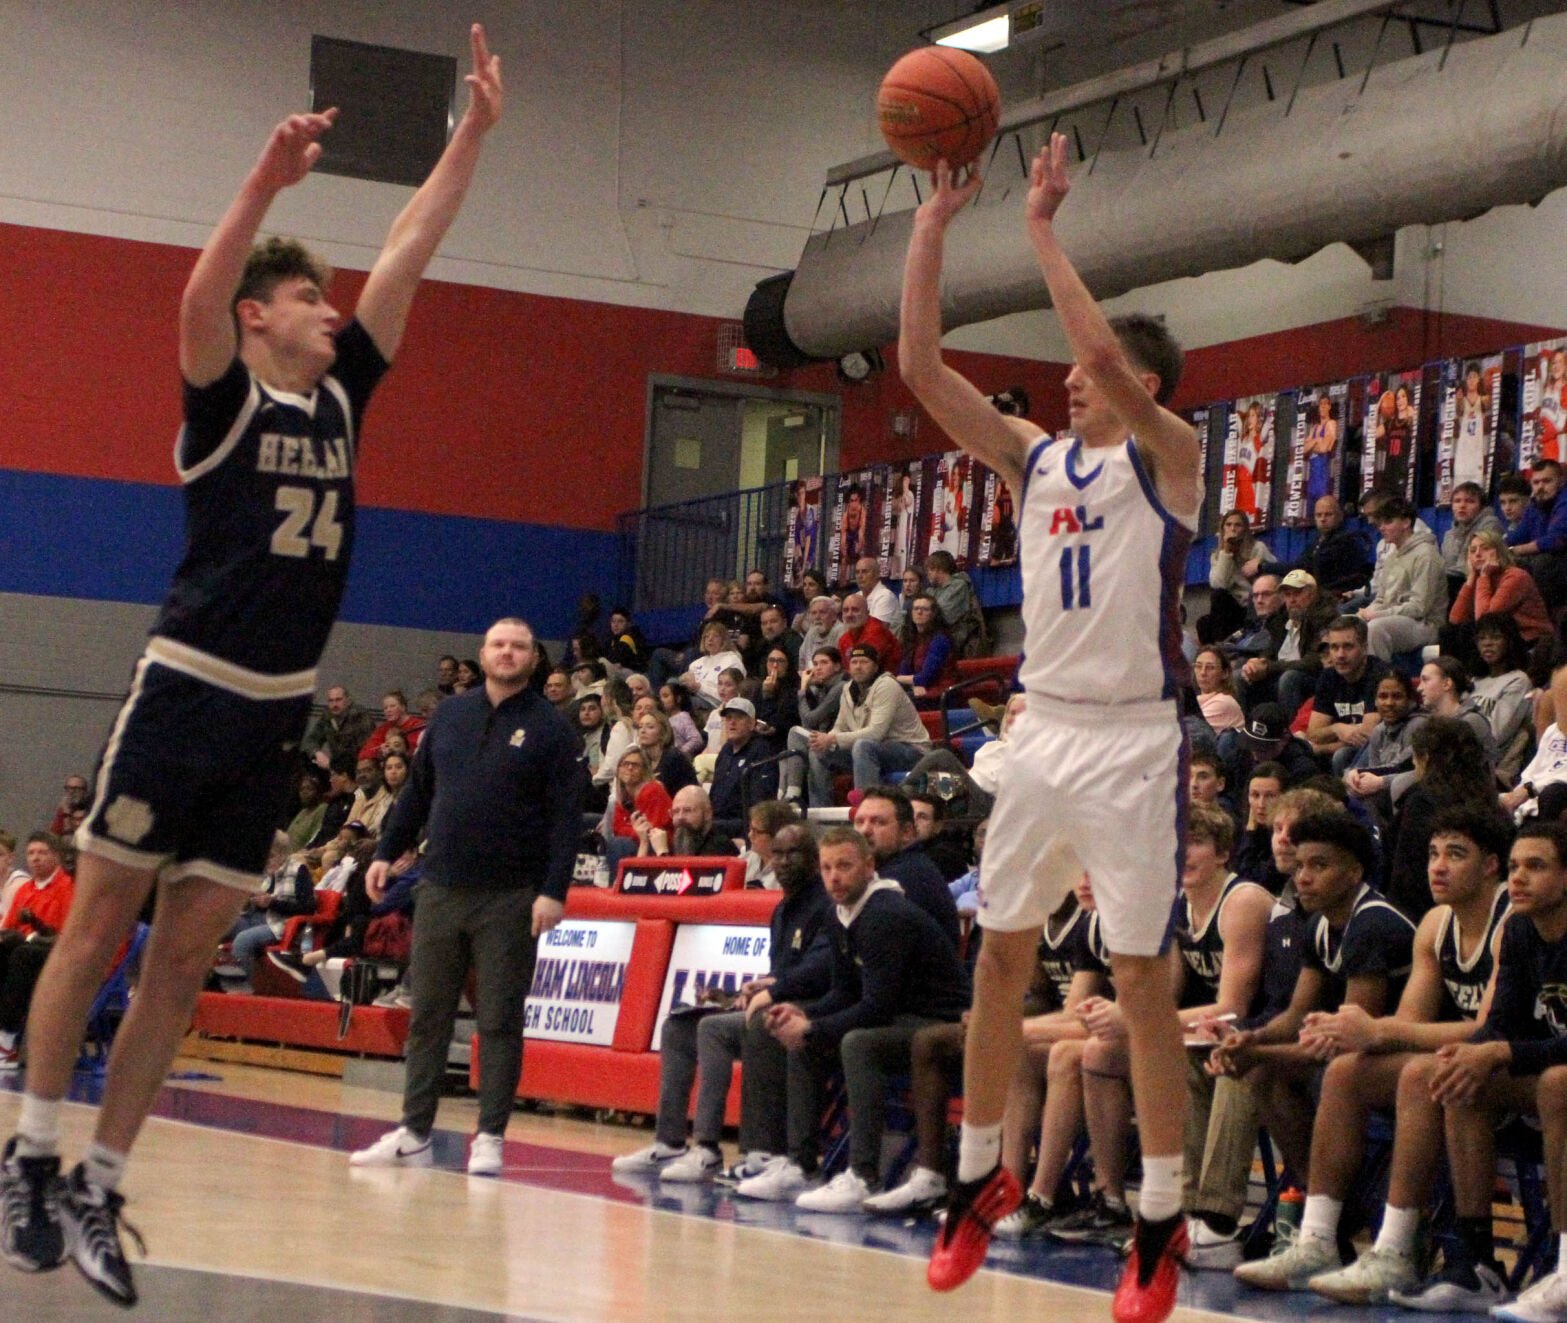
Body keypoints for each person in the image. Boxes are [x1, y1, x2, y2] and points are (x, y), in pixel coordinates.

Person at [0, 29, 503, 1308]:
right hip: (183, 690)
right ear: (258, 318)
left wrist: (472, 138)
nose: (332, 313)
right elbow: (191, 298)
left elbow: (409, 251)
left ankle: (105, 1187)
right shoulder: (225, 398)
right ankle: (33, 1157)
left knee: (181, 961)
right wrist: (263, 186)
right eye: (307, 302)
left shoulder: (343, 398)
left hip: (274, 715)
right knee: (102, 924)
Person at [899, 132, 1203, 1316]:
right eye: (1076, 367)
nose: (1072, 376)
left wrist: (1039, 230)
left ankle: (1162, 1213)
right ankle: (976, 1181)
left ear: (1140, 384)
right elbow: (923, 368)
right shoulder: (1034, 463)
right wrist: (934, 225)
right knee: (1001, 960)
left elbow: (1101, 357)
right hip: (1043, 734)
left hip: (1134, 741)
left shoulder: (1169, 463)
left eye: (1097, 367)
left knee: (1140, 978)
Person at [1248, 804, 1510, 1306]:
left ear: (1491, 865)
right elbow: (1405, 1025)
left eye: (1455, 855)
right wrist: (1368, 1033)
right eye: (1433, 854)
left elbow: (1487, 1027)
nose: (1437, 866)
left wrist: (1373, 1029)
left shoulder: (1507, 921)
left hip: (1504, 1062)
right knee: (1347, 1070)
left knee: (1414, 1073)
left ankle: (1396, 1248)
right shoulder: (1435, 924)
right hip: (1458, 1063)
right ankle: (1318, 1239)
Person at [349, 617, 582, 1178]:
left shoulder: (553, 730)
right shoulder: (449, 717)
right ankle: (414, 1131)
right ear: (482, 654)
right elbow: (417, 795)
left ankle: (492, 1136)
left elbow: (566, 821)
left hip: (510, 896)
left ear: (533, 658)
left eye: (519, 646)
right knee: (427, 1015)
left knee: (499, 1018)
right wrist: (386, 852)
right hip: (441, 889)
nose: (507, 653)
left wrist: (553, 891)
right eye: (499, 645)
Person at [735, 827, 970, 1209]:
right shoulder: (839, 913)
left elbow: (876, 1006)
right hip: (899, 1018)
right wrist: (804, 1014)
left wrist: (813, 1026)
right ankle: (801, 1165)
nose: (834, 877)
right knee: (805, 1038)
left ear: (869, 866)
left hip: (938, 1023)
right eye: (826, 868)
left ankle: (863, 1175)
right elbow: (844, 993)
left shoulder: (885, 915)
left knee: (857, 1042)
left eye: (844, 866)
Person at [611, 822, 832, 1182]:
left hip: (807, 1010)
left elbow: (818, 972)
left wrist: (770, 989)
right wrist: (734, 997)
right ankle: (669, 1141)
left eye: (795, 853)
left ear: (813, 859)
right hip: (775, 1003)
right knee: (679, 1026)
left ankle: (708, 1148)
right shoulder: (782, 910)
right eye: (778, 853)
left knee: (713, 1029)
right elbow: (780, 975)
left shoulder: (824, 904)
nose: (785, 862)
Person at [793, 644, 931, 807]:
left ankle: (869, 807)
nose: (858, 667)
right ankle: (821, 811)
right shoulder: (847, 689)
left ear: (875, 666)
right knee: (818, 751)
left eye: (864, 662)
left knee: (863, 745)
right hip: (874, 750)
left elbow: (876, 733)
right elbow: (840, 726)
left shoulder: (887, 685)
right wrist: (825, 740)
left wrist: (832, 738)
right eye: (854, 662)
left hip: (911, 750)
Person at [1306, 616, 1391, 773]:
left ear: (1364, 648)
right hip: (1342, 745)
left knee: (1341, 755)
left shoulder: (1380, 675)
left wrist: (1320, 748)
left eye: (1348, 647)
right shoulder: (1328, 677)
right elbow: (1314, 734)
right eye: (1334, 647)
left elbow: (1367, 738)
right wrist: (1337, 728)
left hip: (1379, 752)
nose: (1340, 655)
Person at [1201, 510, 1272, 644]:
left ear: (1245, 529)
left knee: (1218, 600)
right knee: (1204, 623)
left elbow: (1275, 574)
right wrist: (1226, 552)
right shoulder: (1217, 555)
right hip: (1230, 608)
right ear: (1223, 529)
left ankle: (1223, 649)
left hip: (1250, 605)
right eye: (1228, 525)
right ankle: (1217, 652)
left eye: (1237, 525)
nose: (1232, 529)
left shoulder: (1257, 548)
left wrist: (1260, 564)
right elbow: (1218, 584)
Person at [1440, 481, 1504, 599]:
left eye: (1470, 501)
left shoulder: (1490, 525)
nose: (1462, 505)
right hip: (1453, 583)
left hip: (1482, 582)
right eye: (1457, 501)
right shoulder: (1449, 535)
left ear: (1481, 507)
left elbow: (1473, 566)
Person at [1298, 495, 1372, 598]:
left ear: (1340, 516)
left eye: (1328, 514)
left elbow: (1305, 566)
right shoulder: (1315, 542)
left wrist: (1269, 567)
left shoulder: (1345, 542)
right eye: (1319, 515)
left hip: (1336, 598)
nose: (1323, 519)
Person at [897, 594, 958, 701]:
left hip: (942, 693)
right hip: (920, 689)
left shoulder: (940, 640)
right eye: (916, 608)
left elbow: (926, 677)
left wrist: (895, 678)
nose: (919, 612)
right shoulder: (911, 638)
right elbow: (904, 671)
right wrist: (914, 685)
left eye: (925, 609)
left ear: (933, 614)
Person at [836, 593, 901, 676]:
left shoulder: (876, 631)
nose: (849, 614)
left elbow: (867, 670)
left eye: (855, 610)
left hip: (886, 680)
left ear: (867, 613)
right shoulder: (843, 639)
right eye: (845, 610)